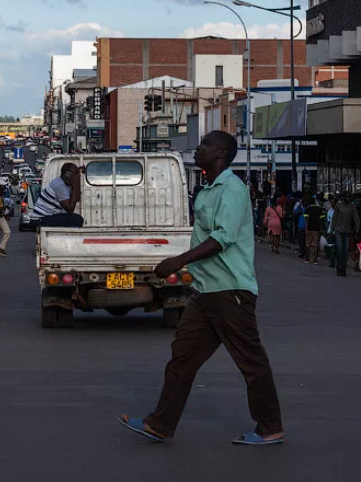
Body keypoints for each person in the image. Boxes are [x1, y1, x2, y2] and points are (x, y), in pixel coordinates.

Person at [119, 131, 283, 446]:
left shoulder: (231, 189)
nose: (198, 148)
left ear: (221, 152)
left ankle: (270, 427)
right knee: (182, 357)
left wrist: (178, 260)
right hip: (205, 291)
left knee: (251, 361)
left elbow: (223, 238)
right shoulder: (208, 189)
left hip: (230, 291)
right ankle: (160, 424)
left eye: (205, 144)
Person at [31, 163, 84, 228]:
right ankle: (68, 237)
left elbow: (77, 198)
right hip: (40, 219)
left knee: (73, 218)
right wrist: (74, 185)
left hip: (46, 217)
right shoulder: (59, 185)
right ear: (67, 174)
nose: (76, 177)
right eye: (75, 174)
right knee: (76, 219)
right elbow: (69, 209)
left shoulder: (66, 184)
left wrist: (77, 181)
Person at [329, 193, 360, 277]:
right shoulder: (338, 205)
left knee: (345, 251)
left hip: (347, 231)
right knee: (340, 249)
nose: (348, 199)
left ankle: (343, 269)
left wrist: (357, 229)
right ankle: (339, 268)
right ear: (343, 198)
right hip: (338, 230)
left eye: (349, 197)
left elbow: (356, 218)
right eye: (346, 197)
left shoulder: (352, 207)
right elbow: (334, 218)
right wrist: (331, 230)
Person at [0, 185, 13, 258]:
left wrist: (6, 214)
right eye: (3, 189)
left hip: (1, 217)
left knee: (8, 232)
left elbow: (1, 206)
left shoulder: (2, 196)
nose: (4, 190)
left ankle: (2, 248)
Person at [304, 197, 324, 265]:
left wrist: (306, 229)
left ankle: (307, 259)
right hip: (317, 229)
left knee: (307, 244)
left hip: (309, 228)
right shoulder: (319, 209)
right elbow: (321, 220)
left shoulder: (307, 209)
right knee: (316, 245)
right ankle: (315, 260)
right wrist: (321, 229)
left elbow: (306, 220)